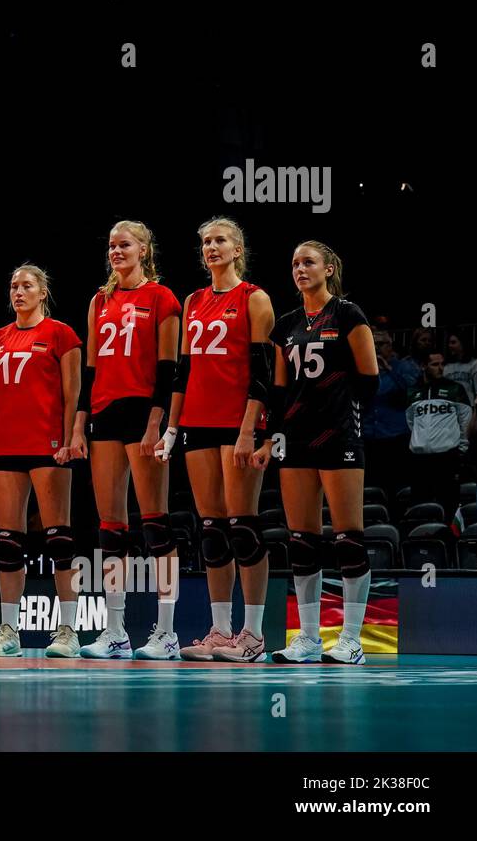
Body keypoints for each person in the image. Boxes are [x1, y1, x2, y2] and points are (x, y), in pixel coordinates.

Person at [253, 241, 378, 664]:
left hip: (340, 434)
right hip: (298, 439)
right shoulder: (286, 324)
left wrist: (345, 416)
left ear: (328, 268)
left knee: (347, 537)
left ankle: (353, 640)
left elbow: (369, 377)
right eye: (294, 264)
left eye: (308, 262)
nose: (299, 269)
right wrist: (272, 435)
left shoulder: (348, 314)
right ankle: (308, 638)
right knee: (302, 540)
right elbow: (280, 389)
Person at [156, 218, 274, 661]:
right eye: (205, 241)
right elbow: (183, 371)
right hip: (197, 423)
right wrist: (172, 427)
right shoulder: (193, 300)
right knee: (211, 529)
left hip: (237, 423)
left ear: (238, 248)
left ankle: (255, 634)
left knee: (243, 526)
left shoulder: (254, 298)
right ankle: (221, 630)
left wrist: (249, 431)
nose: (212, 247)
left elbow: (263, 375)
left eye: (220, 240)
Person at [0, 264, 84, 657]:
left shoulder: (62, 334)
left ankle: (68, 631)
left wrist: (71, 437)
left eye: (27, 286)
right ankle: (9, 631)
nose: (19, 292)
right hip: (5, 446)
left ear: (43, 293)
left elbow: (73, 393)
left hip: (49, 445)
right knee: (7, 542)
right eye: (14, 286)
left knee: (59, 537)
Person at [74, 221, 182, 659]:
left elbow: (169, 369)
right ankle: (115, 631)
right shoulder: (100, 300)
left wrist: (157, 422)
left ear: (144, 249)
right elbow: (91, 370)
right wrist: (80, 425)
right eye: (112, 244)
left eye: (126, 244)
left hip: (144, 414)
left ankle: (168, 631)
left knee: (156, 524)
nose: (117, 251)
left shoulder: (162, 298)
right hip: (104, 413)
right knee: (111, 527)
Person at [406, 352, 471, 523]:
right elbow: (411, 422)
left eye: (442, 364)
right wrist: (421, 441)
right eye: (435, 364)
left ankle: (450, 546)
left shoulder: (455, 389)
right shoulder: (413, 391)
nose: (440, 368)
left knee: (449, 507)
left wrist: (461, 449)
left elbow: (466, 421)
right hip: (419, 460)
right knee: (420, 507)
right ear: (423, 366)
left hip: (447, 458)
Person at [365, 327, 418, 501]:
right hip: (370, 436)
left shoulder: (404, 367)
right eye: (373, 344)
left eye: (381, 344)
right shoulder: (362, 367)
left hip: (396, 437)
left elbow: (411, 394)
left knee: (397, 487)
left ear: (390, 345)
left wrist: (388, 369)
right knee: (372, 488)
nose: (377, 348)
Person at [443, 332, 477, 405]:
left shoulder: (475, 364)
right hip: (450, 409)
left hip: (469, 408)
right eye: (448, 343)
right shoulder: (446, 366)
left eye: (453, 342)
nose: (449, 346)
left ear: (463, 343)